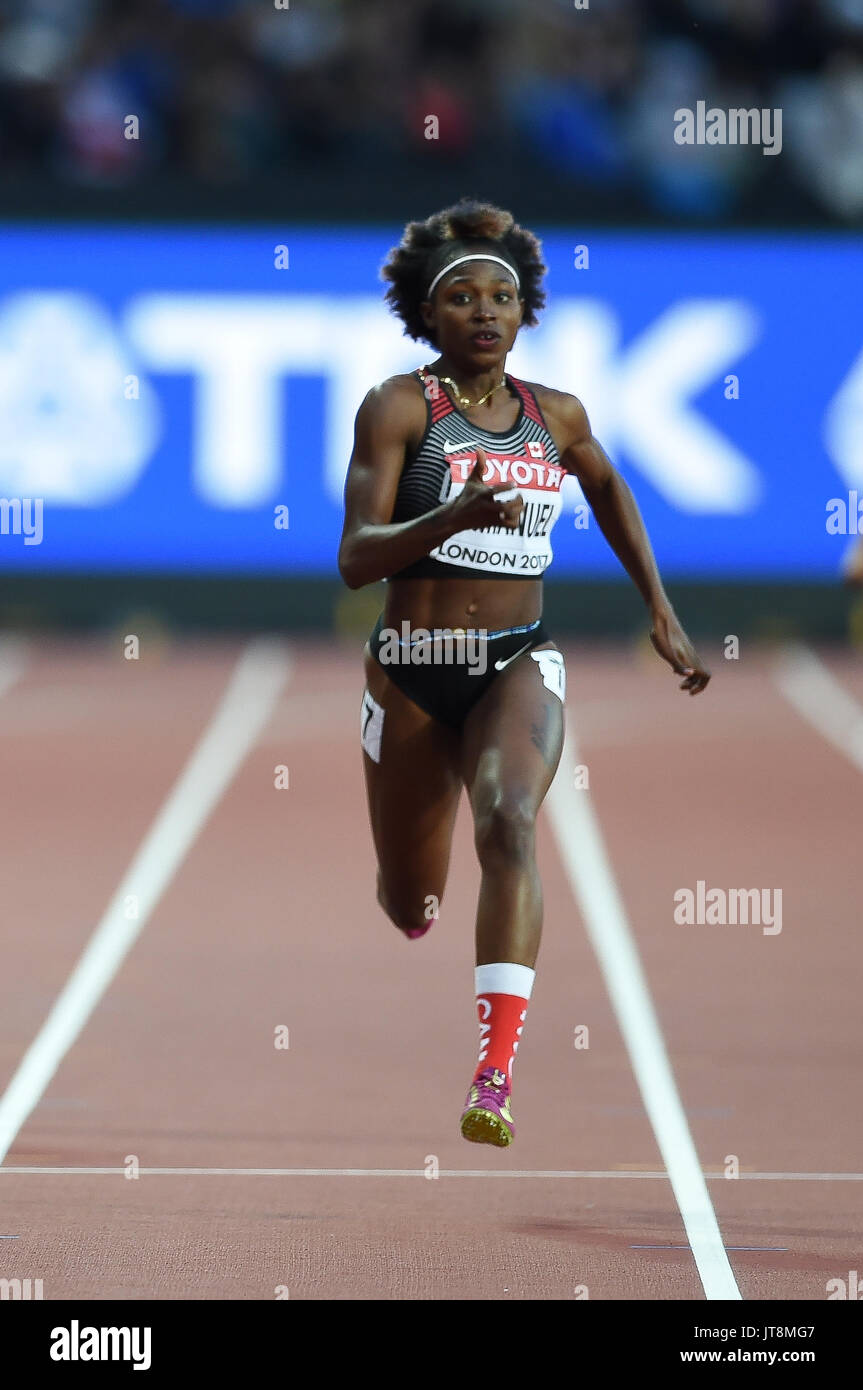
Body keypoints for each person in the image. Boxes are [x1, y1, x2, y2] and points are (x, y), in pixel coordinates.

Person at [338, 199, 710, 1147]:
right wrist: (451, 519)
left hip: (515, 660)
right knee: (408, 901)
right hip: (416, 668)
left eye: (500, 296)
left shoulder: (556, 415)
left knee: (508, 821)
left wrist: (657, 609)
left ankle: (493, 1075)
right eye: (460, 297)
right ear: (430, 319)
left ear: (522, 313)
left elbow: (609, 485)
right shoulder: (396, 406)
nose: (484, 311)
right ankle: (412, 903)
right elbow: (355, 556)